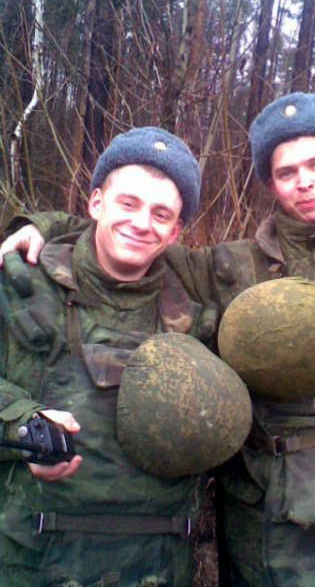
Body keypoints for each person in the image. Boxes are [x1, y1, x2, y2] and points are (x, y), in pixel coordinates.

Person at [3, 93, 315, 586]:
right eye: (287, 172)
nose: (305, 182)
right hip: (267, 539)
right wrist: (38, 228)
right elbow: (125, 242)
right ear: (271, 184)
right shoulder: (229, 268)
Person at [0, 126, 216, 586]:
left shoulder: (197, 316)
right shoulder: (21, 282)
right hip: (33, 559)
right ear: (96, 202)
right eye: (128, 203)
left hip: (158, 565)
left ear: (176, 231)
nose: (141, 223)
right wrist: (22, 424)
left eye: (161, 214)